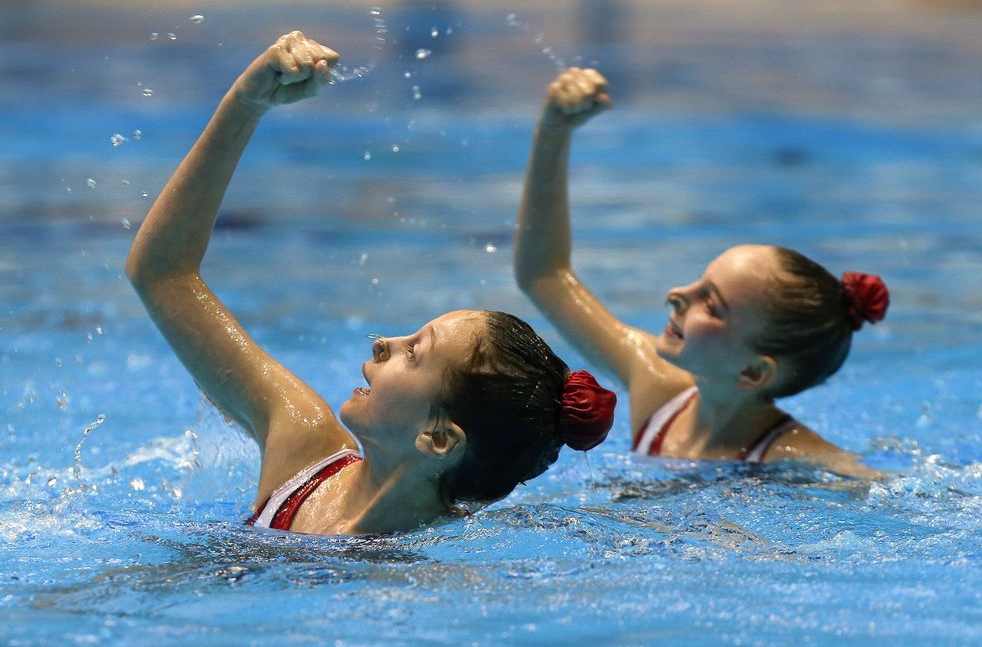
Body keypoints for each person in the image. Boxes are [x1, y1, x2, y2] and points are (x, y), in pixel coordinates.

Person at [125, 32, 616, 535]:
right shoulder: (302, 447)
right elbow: (162, 273)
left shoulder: (431, 580)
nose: (384, 342)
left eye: (414, 354)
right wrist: (246, 105)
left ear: (439, 438)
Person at [514, 66, 888, 476]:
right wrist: (552, 133)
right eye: (699, 281)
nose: (677, 293)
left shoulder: (806, 462)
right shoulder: (657, 388)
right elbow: (545, 275)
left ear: (752, 371)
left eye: (711, 304)